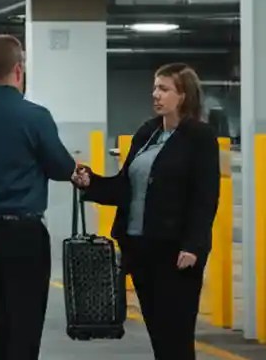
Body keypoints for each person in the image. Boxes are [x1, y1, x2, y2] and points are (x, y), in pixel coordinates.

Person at [73, 63, 219, 360]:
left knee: (176, 337)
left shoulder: (199, 137)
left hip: (176, 253)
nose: (156, 95)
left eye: (164, 89)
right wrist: (91, 181)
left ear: (183, 95)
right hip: (141, 250)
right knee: (158, 335)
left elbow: (205, 197)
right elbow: (125, 187)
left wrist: (193, 244)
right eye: (155, 88)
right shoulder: (147, 133)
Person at [0, 34, 78, 360]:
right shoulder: (35, 116)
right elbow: (61, 167)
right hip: (25, 232)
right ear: (19, 70)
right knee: (26, 319)